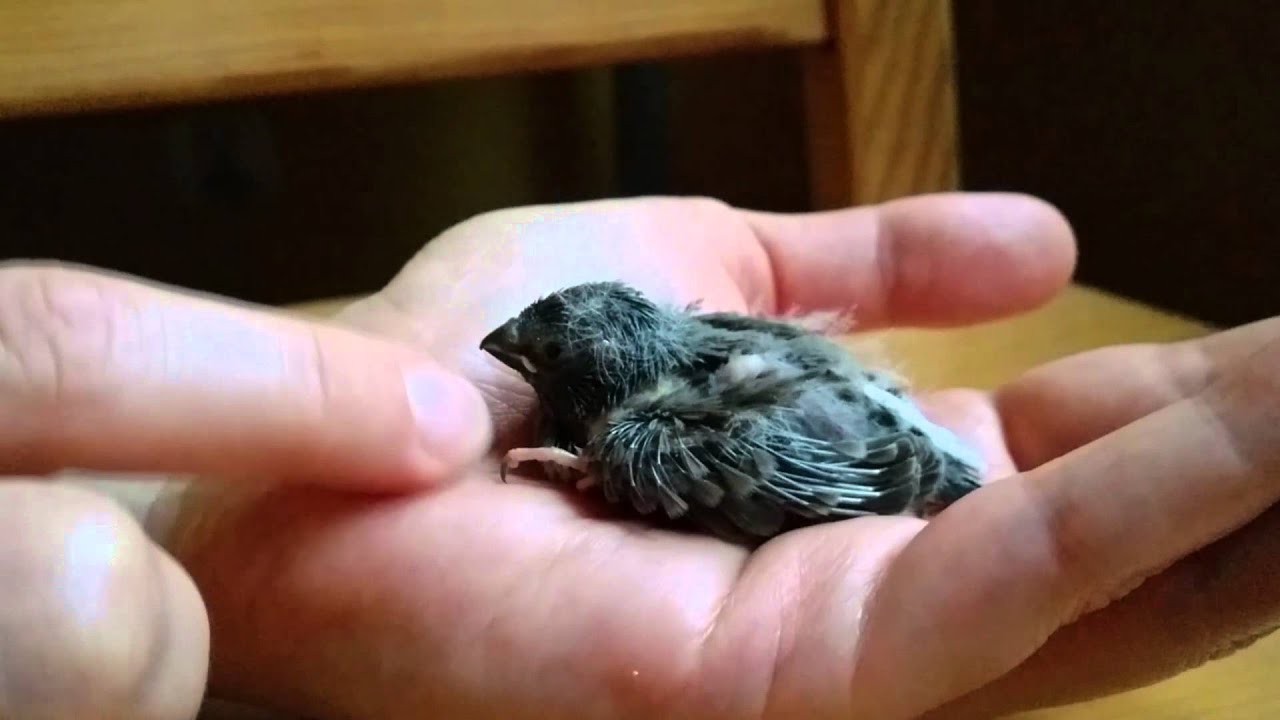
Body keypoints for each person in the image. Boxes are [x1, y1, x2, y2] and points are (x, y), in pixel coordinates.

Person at [1, 192, 1277, 720]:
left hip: (897, 475)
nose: (507, 356)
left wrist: (601, 468)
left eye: (534, 355)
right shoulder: (695, 344)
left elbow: (830, 459)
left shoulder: (640, 431)